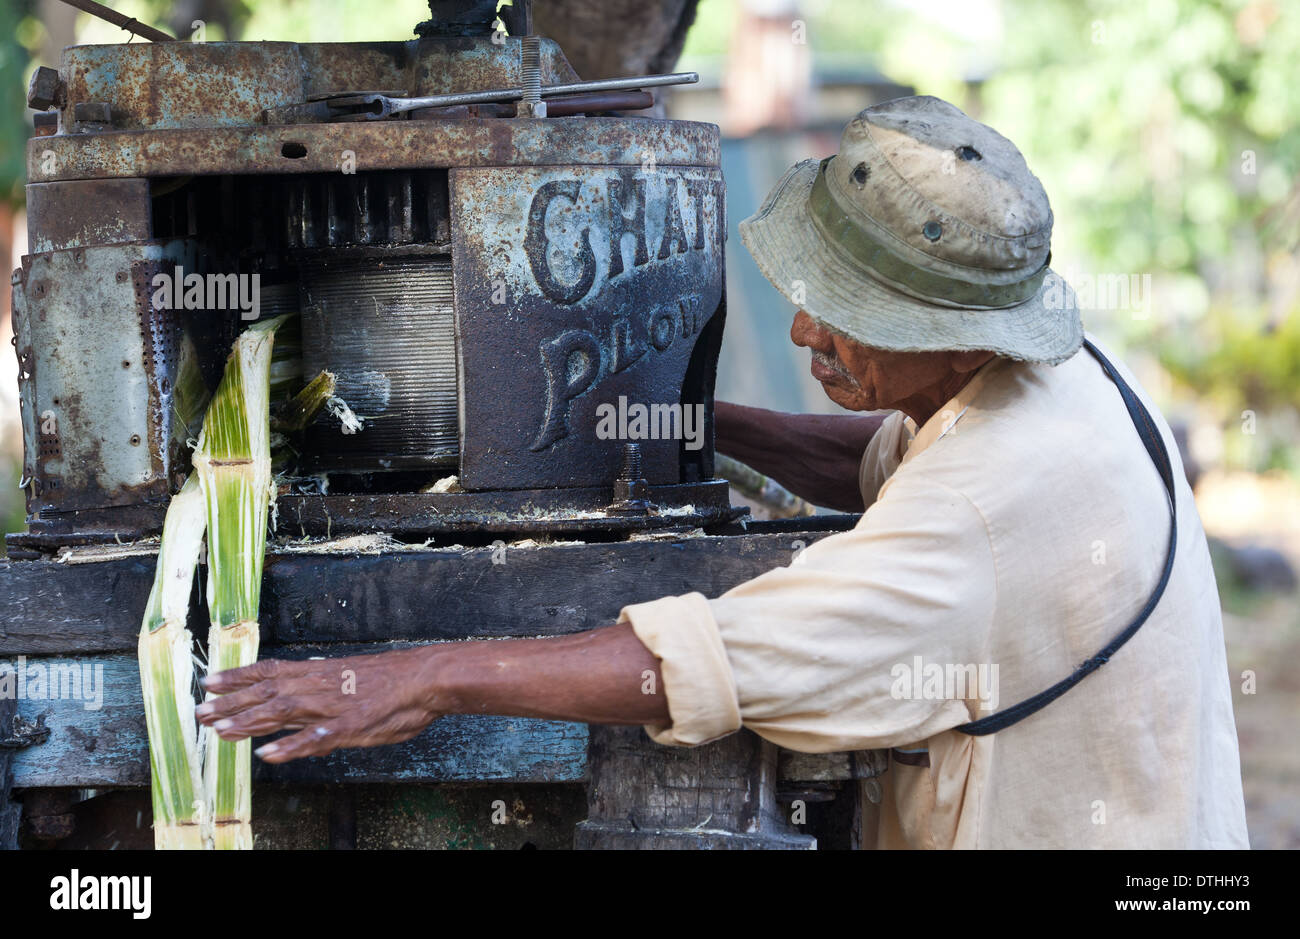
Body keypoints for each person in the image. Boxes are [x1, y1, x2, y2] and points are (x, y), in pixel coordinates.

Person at [196, 96, 1249, 848]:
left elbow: (705, 662)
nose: (802, 329)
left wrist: (424, 676)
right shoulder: (1054, 385)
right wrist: (692, 418)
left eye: (848, 319)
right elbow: (894, 462)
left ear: (966, 337)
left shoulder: (978, 515)